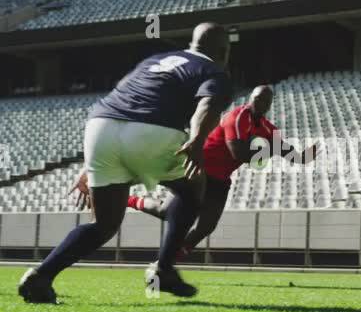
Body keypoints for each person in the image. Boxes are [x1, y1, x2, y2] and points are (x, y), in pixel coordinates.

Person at [18, 23, 233, 304]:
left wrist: (89, 163)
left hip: (100, 128)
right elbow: (207, 105)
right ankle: (164, 268)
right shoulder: (215, 70)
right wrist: (197, 139)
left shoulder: (152, 60)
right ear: (223, 50)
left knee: (103, 224)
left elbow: (123, 98)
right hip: (151, 130)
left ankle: (40, 276)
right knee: (193, 187)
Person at [126, 85, 317, 258]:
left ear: (269, 105)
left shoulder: (269, 129)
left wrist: (304, 157)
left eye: (265, 100)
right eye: (257, 98)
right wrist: (266, 151)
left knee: (207, 225)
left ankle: (174, 255)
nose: (260, 103)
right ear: (251, 98)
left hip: (220, 178)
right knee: (165, 211)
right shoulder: (237, 116)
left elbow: (285, 149)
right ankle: (130, 199)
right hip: (199, 169)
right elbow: (238, 152)